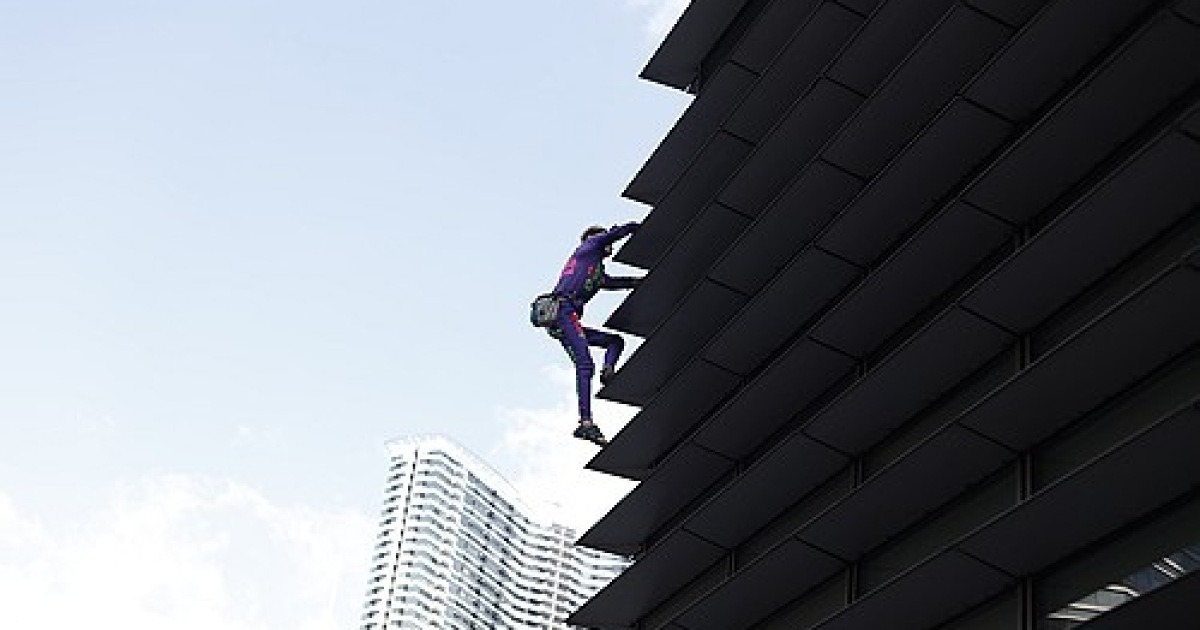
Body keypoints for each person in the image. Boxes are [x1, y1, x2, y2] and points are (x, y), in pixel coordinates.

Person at [546, 222, 642, 446]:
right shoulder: (588, 247)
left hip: (565, 319)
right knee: (585, 364)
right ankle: (585, 423)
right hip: (563, 310)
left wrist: (637, 282)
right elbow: (615, 234)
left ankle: (608, 371)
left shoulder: (596, 272)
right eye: (603, 236)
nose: (607, 241)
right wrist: (636, 227)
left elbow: (615, 282)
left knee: (614, 342)